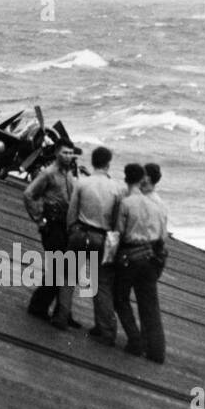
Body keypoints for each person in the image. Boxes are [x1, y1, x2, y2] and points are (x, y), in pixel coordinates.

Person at [67, 146, 126, 346]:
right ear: (108, 164)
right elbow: (117, 222)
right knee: (100, 284)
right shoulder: (117, 188)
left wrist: (71, 231)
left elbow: (72, 212)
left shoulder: (82, 182)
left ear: (92, 162)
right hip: (101, 238)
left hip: (80, 233)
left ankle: (61, 315)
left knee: (68, 276)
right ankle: (106, 330)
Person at [113, 161, 169, 363]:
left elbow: (119, 233)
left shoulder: (136, 201)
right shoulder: (160, 205)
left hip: (132, 255)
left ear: (146, 179)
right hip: (153, 257)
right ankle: (156, 350)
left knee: (120, 296)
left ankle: (136, 339)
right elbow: (163, 236)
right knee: (150, 306)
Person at [23, 144, 82, 327]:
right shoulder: (48, 173)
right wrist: (39, 219)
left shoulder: (69, 173)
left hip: (66, 225)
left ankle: (63, 310)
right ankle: (38, 306)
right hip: (53, 224)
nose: (68, 156)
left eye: (71, 153)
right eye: (65, 152)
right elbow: (28, 194)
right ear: (57, 153)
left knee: (66, 268)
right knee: (57, 268)